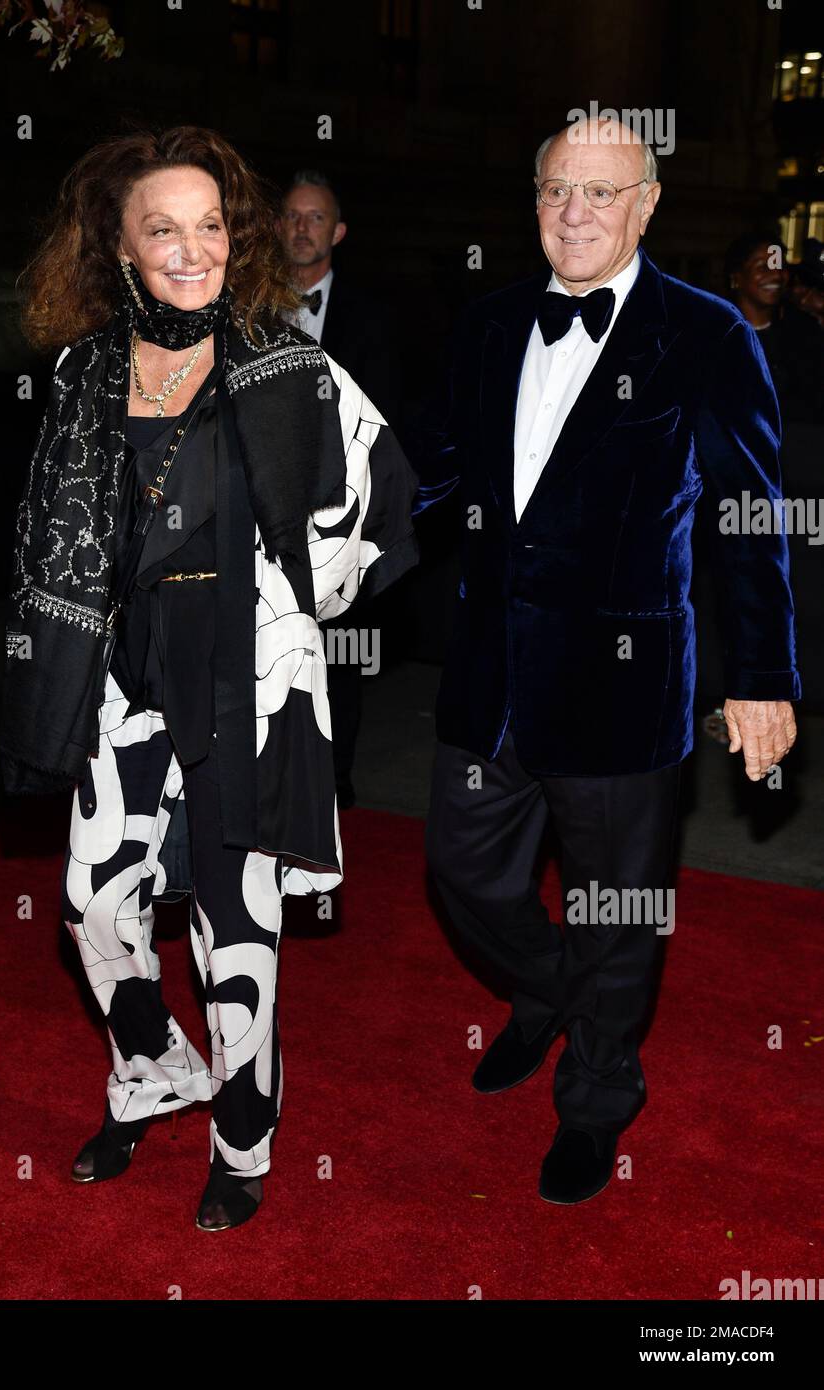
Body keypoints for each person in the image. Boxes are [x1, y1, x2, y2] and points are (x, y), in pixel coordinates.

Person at [0, 125, 419, 1231]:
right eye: (162, 230)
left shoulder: (286, 364)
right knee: (94, 903)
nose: (191, 248)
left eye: (210, 226)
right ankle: (154, 1067)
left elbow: (386, 495)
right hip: (120, 670)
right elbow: (50, 525)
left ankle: (244, 1136)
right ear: (121, 248)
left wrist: (303, 594)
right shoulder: (86, 368)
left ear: (236, 239)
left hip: (244, 678)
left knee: (235, 931)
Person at [410, 117, 799, 1205]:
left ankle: (595, 1096)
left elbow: (746, 517)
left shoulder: (708, 334)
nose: (572, 214)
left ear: (646, 204)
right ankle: (549, 994)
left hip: (624, 688)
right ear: (531, 200)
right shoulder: (488, 325)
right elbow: (423, 473)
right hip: (489, 676)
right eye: (552, 191)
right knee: (462, 874)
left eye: (598, 192)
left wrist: (758, 675)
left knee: (617, 909)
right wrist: (308, 540)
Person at [280, 170, 403, 808]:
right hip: (261, 512)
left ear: (339, 231)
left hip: (339, 511)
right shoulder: (239, 307)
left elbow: (387, 418)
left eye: (317, 218)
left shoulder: (375, 317)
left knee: (340, 650)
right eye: (293, 216)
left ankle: (332, 784)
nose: (303, 228)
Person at [725, 233, 824, 424]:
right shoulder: (716, 336)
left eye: (780, 266)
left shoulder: (804, 333)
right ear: (737, 277)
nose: (776, 274)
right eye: (762, 266)